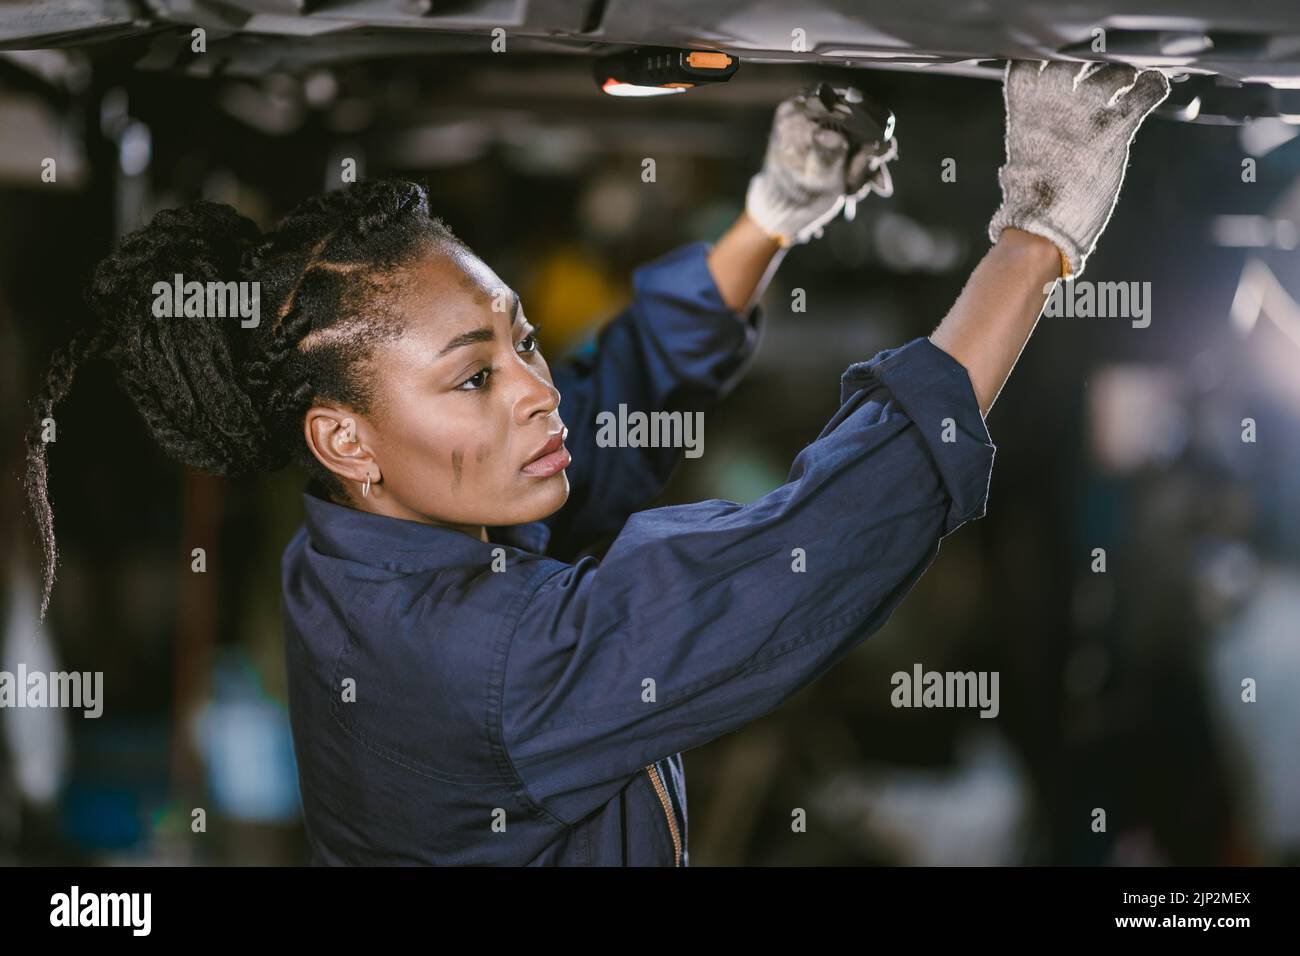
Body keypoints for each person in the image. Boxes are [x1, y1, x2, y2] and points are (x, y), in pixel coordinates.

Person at [23, 61, 1169, 865]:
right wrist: (1038, 230)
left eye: (519, 336)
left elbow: (607, 399)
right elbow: (808, 549)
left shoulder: (362, 541)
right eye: (475, 375)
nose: (532, 387)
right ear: (344, 438)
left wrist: (774, 213)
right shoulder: (492, 658)